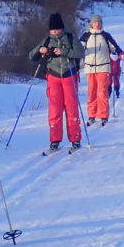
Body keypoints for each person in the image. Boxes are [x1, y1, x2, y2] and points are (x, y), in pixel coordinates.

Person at [28, 12, 85, 152]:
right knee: (54, 109)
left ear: (62, 28)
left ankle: (75, 138)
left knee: (71, 108)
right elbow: (31, 56)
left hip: (69, 75)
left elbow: (81, 53)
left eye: (56, 29)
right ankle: (54, 140)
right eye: (52, 30)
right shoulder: (47, 40)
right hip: (53, 77)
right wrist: (41, 50)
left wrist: (64, 51)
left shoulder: (70, 37)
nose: (54, 32)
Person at [79, 14, 123, 126]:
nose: (97, 24)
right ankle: (91, 115)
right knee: (91, 92)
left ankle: (103, 115)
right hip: (89, 68)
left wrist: (119, 53)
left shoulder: (105, 35)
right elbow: (79, 49)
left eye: (99, 22)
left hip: (103, 67)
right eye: (95, 22)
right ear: (91, 24)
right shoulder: (85, 35)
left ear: (101, 24)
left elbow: (115, 47)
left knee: (102, 91)